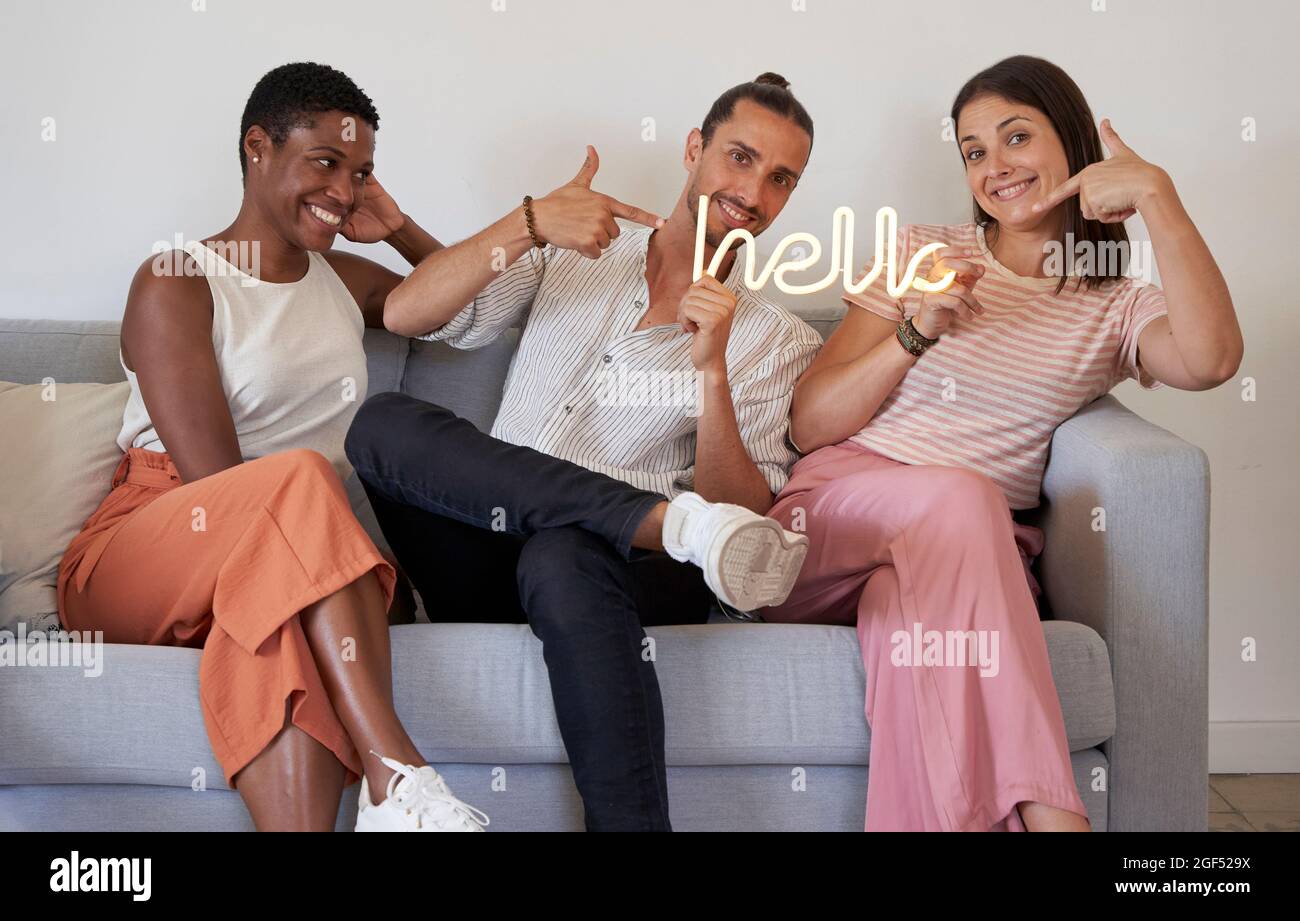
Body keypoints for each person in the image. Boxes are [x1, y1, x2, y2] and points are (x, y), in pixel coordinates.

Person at [767, 54, 1243, 831]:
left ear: (1072, 140)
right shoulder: (922, 252)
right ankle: (1057, 815)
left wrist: (1160, 197)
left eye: (1017, 137)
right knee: (960, 496)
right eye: (975, 151)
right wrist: (914, 332)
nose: (995, 167)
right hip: (828, 527)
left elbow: (1213, 359)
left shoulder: (1114, 302)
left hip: (970, 555)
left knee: (913, 634)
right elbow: (809, 425)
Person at [345, 73, 823, 831]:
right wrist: (529, 221)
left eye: (780, 178)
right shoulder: (573, 250)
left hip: (627, 573)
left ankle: (660, 529)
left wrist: (713, 372)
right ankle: (667, 518)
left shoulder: (777, 338)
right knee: (381, 424)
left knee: (565, 550)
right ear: (694, 149)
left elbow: (743, 521)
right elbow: (408, 312)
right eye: (740, 157)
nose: (753, 192)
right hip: (490, 550)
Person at [57, 62, 488, 832]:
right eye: (325, 162)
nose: (344, 190)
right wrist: (315, 546)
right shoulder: (177, 280)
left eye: (361, 173)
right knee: (298, 491)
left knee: (281, 632)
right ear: (258, 146)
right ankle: (397, 774)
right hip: (153, 545)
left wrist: (396, 226)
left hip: (295, 554)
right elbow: (215, 486)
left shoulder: (344, 279)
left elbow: (466, 312)